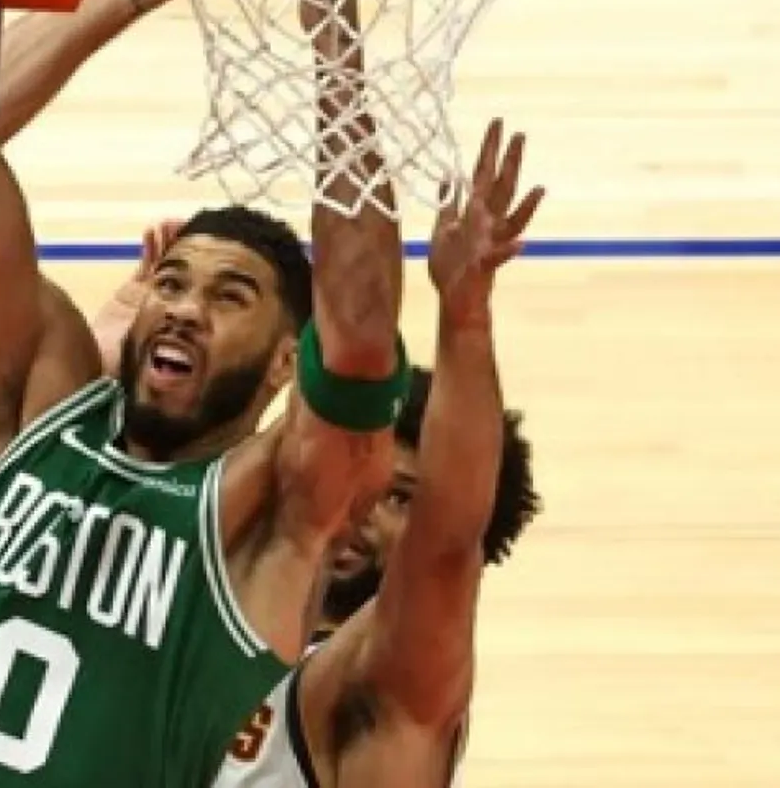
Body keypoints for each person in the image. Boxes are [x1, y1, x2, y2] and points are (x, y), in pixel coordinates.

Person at [0, 0, 417, 788]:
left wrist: (330, 19)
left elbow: (361, 327)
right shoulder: (33, 413)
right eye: (173, 281)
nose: (186, 308)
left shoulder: (265, 519)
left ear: (288, 361)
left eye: (228, 296)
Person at [96, 124, 545, 788]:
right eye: (368, 483)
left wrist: (466, 316)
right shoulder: (215, 607)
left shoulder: (380, 684)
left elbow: (448, 538)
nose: (362, 509)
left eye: (400, 498)